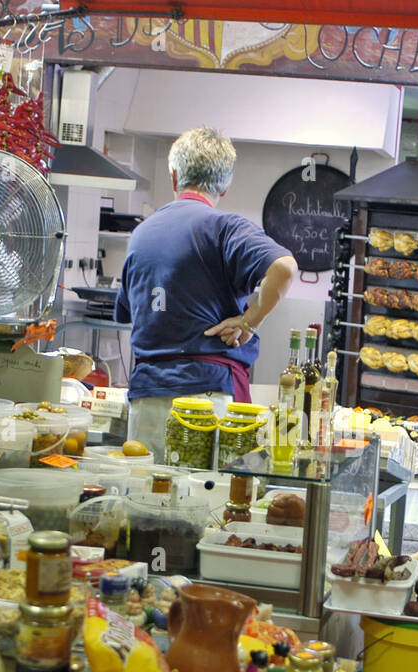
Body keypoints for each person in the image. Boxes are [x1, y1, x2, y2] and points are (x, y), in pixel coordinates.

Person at [115, 127, 298, 460]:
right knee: (208, 503)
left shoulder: (140, 234)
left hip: (147, 398)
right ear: (226, 186)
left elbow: (131, 313)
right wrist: (249, 321)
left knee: (144, 500)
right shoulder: (224, 227)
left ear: (173, 177)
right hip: (206, 398)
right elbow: (284, 268)